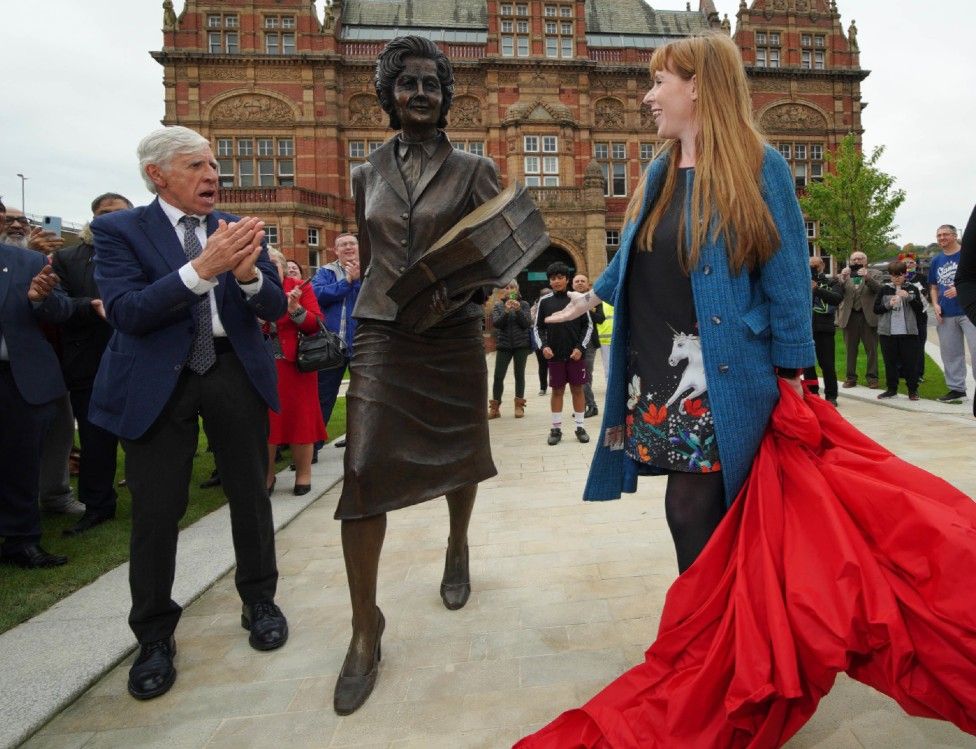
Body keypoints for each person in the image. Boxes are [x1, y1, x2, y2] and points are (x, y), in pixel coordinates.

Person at [332, 35, 502, 715]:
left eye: (432, 84)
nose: (421, 94)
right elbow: (371, 251)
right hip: (383, 330)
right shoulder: (365, 171)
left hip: (451, 330)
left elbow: (496, 249)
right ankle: (364, 625)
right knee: (363, 468)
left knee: (461, 455)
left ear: (445, 95)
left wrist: (463, 293)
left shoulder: (474, 167)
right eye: (408, 85)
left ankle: (457, 544)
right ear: (389, 94)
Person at [89, 125, 289, 701]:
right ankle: (153, 636)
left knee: (251, 496)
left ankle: (260, 602)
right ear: (157, 174)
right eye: (196, 166)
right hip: (159, 378)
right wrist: (202, 268)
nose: (213, 176)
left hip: (232, 370)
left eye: (213, 165)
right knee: (156, 511)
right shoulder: (117, 231)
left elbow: (275, 306)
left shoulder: (236, 229)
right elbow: (127, 311)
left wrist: (249, 276)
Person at [51, 192, 133, 535]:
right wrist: (91, 305)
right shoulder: (68, 258)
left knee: (147, 434)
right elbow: (55, 305)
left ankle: (154, 497)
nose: (111, 218)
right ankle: (98, 505)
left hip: (137, 357)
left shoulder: (143, 251)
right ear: (93, 219)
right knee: (95, 436)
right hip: (89, 360)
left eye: (119, 213)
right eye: (104, 213)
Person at [0, 199, 73, 568]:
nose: (11, 223)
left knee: (20, 462)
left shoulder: (31, 263)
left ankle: (21, 540)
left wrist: (41, 300)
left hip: (18, 377)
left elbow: (62, 310)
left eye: (14, 218)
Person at [264, 248, 327, 495]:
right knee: (266, 426)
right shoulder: (249, 287)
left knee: (301, 422)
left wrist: (296, 309)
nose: (269, 270)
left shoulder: (300, 286)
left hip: (297, 366)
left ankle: (303, 475)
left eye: (273, 265)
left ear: (281, 265)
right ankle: (267, 476)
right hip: (264, 366)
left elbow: (316, 324)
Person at [312, 232, 361, 450]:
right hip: (332, 345)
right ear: (335, 250)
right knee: (323, 396)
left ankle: (358, 441)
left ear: (358, 247)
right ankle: (313, 446)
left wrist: (356, 281)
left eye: (352, 243)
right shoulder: (326, 271)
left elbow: (371, 297)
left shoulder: (368, 270)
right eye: (343, 245)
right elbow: (318, 294)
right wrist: (347, 282)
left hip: (361, 344)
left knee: (362, 397)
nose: (348, 247)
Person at [534, 262, 592, 445]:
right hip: (555, 356)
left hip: (575, 354)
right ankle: (556, 429)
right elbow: (538, 327)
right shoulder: (544, 301)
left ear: (567, 279)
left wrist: (580, 348)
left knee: (577, 389)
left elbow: (587, 325)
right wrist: (544, 346)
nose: (557, 281)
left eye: (560, 277)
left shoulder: (578, 298)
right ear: (549, 282)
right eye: (553, 278)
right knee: (557, 391)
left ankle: (580, 427)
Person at [929, 223, 976, 402]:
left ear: (955, 236)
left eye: (945, 234)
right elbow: (933, 286)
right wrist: (935, 304)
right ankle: (956, 389)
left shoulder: (969, 256)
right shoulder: (936, 260)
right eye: (939, 235)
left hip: (969, 310)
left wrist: (961, 289)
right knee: (950, 352)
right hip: (946, 313)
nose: (942, 238)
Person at [873, 259, 924, 400]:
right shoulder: (884, 289)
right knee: (890, 363)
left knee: (910, 363)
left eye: (900, 275)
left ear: (905, 274)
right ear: (890, 275)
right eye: (894, 275)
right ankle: (891, 389)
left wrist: (909, 298)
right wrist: (889, 304)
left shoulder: (912, 288)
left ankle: (913, 391)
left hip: (908, 333)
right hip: (887, 333)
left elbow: (921, 310)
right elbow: (876, 309)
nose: (897, 278)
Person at [836, 250, 883, 389]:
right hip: (850, 317)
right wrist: (843, 278)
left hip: (868, 316)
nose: (856, 261)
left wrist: (867, 277)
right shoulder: (845, 274)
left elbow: (880, 290)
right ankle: (850, 378)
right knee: (850, 349)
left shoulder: (875, 273)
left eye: (860, 258)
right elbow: (836, 292)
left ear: (865, 261)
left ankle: (872, 378)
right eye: (854, 259)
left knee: (871, 349)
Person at [488, 280, 532, 419]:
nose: (509, 290)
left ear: (517, 290)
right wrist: (506, 311)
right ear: (504, 291)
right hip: (504, 345)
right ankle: (495, 408)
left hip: (521, 345)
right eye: (507, 288)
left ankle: (519, 406)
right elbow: (497, 324)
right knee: (498, 376)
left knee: (519, 375)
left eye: (512, 287)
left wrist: (518, 310)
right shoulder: (499, 305)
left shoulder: (524, 304)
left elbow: (526, 324)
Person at [804, 255, 843, 405]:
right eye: (810, 266)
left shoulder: (832, 281)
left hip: (824, 329)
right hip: (807, 329)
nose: (814, 268)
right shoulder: (802, 282)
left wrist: (817, 289)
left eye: (816, 265)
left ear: (822, 266)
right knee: (808, 365)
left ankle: (831, 396)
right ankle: (812, 395)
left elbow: (836, 299)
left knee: (827, 364)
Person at [572, 273, 605, 418]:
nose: (579, 283)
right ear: (572, 284)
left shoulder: (595, 300)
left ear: (588, 284)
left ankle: (591, 405)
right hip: (572, 342)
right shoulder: (569, 300)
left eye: (582, 281)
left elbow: (600, 319)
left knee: (585, 375)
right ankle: (582, 404)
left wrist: (586, 308)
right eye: (577, 281)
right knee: (577, 376)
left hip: (589, 342)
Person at [900, 249, 930, 382]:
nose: (908, 265)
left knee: (918, 345)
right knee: (902, 345)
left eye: (911, 263)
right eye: (905, 263)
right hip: (902, 316)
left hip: (919, 315)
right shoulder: (897, 278)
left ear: (915, 264)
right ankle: (903, 371)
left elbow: (927, 294)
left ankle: (918, 373)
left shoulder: (922, 278)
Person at [529, 287, 552, 395]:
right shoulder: (535, 307)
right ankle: (543, 387)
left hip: (554, 338)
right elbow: (531, 321)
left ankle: (556, 384)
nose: (547, 297)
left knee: (555, 363)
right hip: (540, 340)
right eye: (545, 295)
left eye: (549, 294)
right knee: (542, 365)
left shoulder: (555, 304)